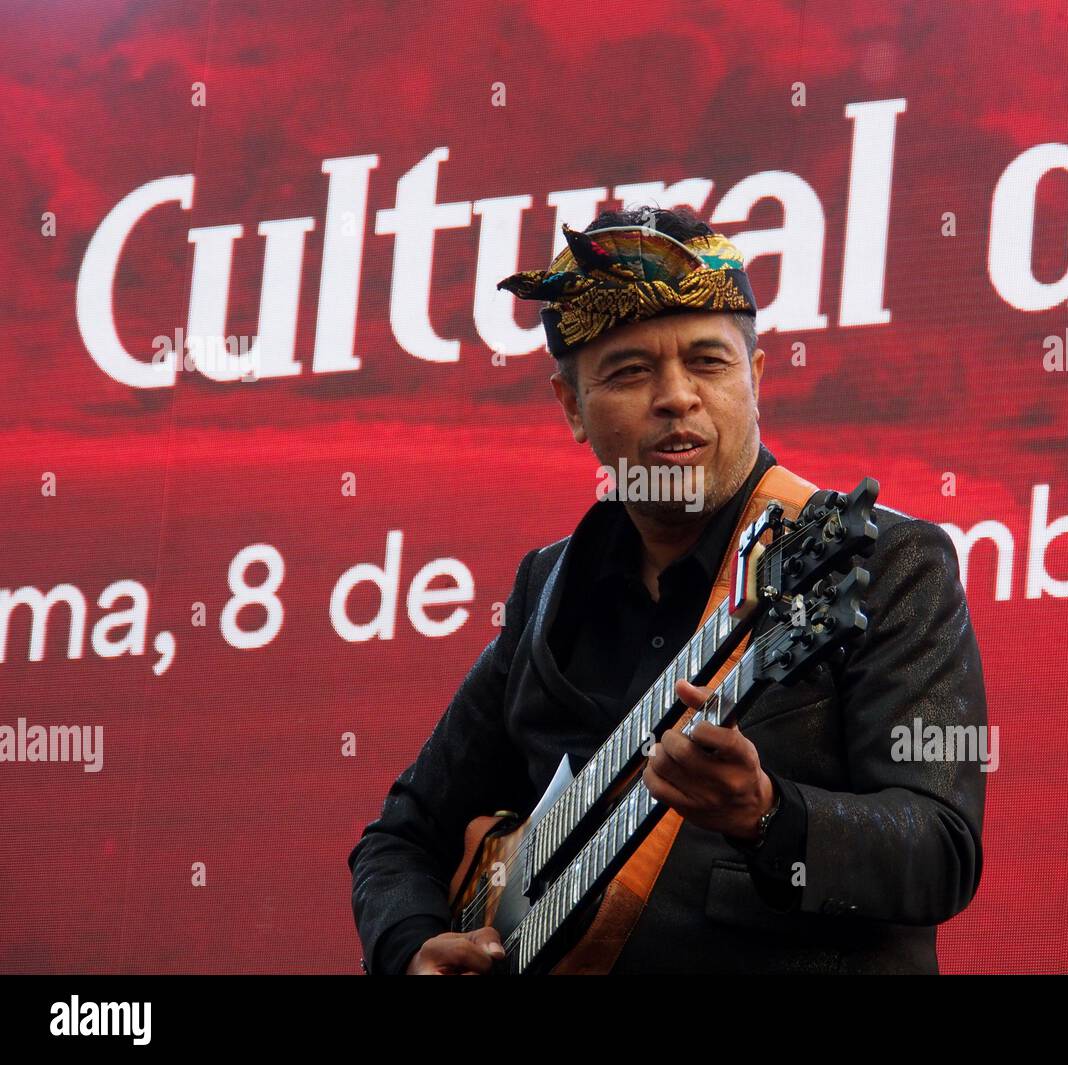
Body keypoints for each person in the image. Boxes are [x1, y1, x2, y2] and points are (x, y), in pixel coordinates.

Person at [347, 205, 988, 975]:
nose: (677, 396)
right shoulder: (546, 591)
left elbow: (941, 847)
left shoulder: (883, 561)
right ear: (571, 406)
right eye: (629, 371)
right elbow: (402, 835)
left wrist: (769, 817)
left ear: (756, 378)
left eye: (708, 362)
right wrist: (410, 946)